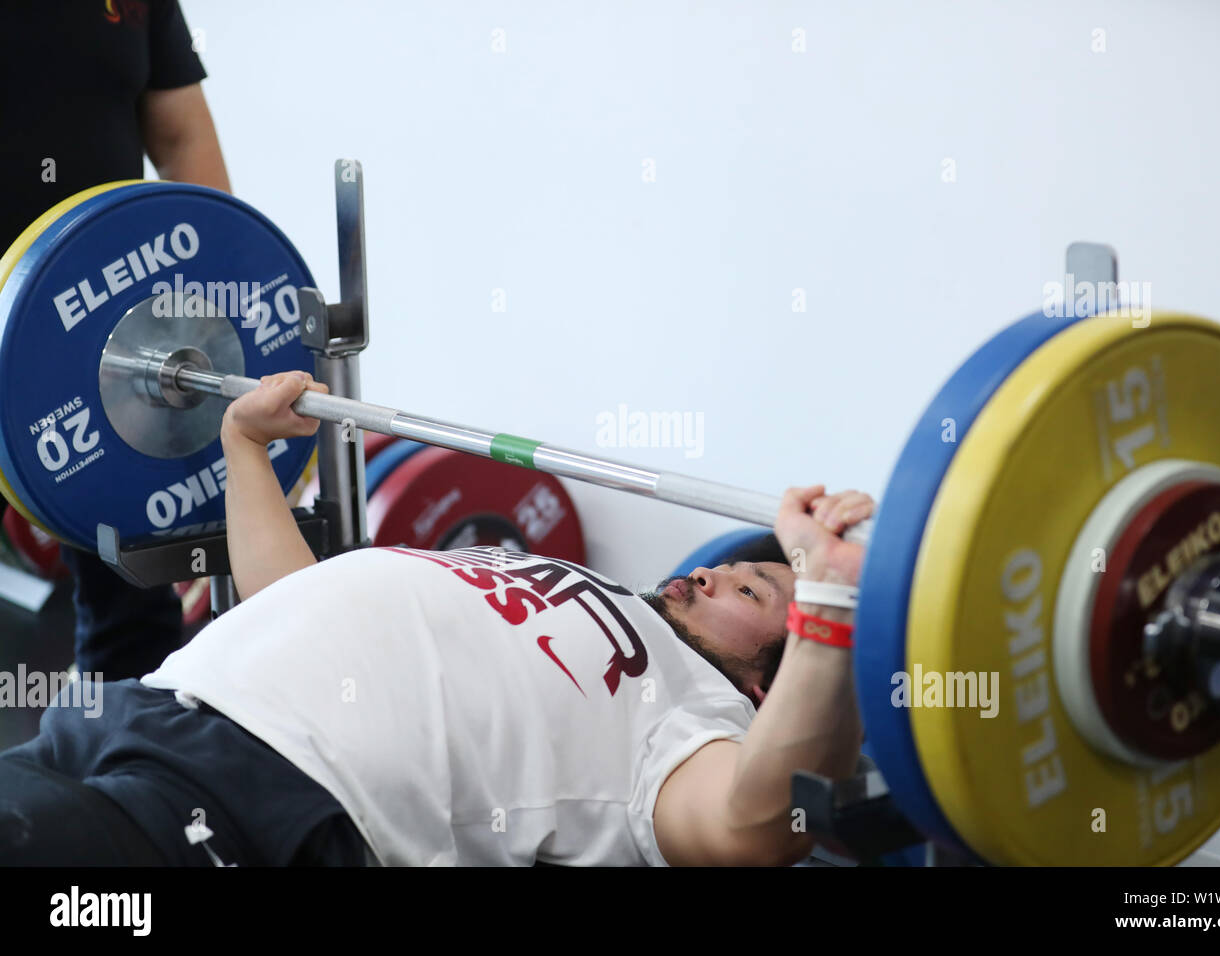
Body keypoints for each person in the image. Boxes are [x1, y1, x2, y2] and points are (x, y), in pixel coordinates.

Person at [0, 373, 872, 866]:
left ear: (767, 682)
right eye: (735, 567)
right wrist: (243, 445)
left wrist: (831, 601)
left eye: (753, 591)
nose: (712, 571)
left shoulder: (691, 719)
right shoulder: (579, 585)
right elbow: (291, 604)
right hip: (150, 710)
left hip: (265, 804)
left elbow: (755, 829)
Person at [0, 0, 231, 681]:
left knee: (131, 604)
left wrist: (221, 308)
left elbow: (182, 135)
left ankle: (119, 781)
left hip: (106, 340)